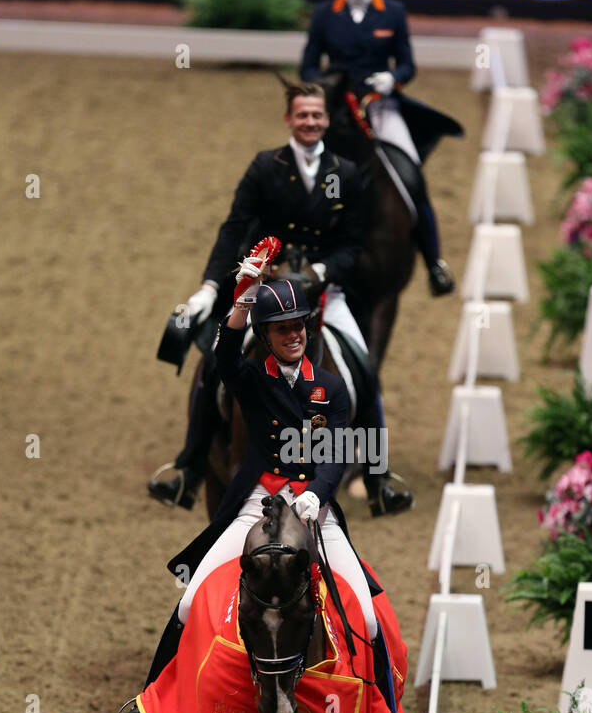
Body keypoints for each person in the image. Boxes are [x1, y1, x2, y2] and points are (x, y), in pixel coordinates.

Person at [113, 262, 412, 713]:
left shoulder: (332, 388)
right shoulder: (251, 378)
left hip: (314, 509)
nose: (293, 335)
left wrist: (318, 493)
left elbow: (336, 453)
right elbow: (223, 354)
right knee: (190, 602)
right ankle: (145, 705)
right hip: (256, 502)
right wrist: (243, 298)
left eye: (298, 326)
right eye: (282, 329)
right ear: (266, 335)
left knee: (363, 612)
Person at [149, 82, 411, 517]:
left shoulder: (342, 173)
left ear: (325, 120)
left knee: (363, 365)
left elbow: (353, 242)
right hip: (267, 288)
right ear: (289, 119)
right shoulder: (264, 168)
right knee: (214, 361)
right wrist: (211, 287)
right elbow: (233, 228)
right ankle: (189, 467)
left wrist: (321, 272)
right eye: (302, 115)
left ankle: (379, 476)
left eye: (317, 115)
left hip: (323, 290)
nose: (310, 122)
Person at [300, 0, 456, 298]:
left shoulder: (394, 12)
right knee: (302, 170)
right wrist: (321, 89)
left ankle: (435, 262)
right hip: (337, 112)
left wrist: (393, 80)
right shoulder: (324, 14)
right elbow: (307, 66)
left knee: (411, 177)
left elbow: (407, 65)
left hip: (380, 109)